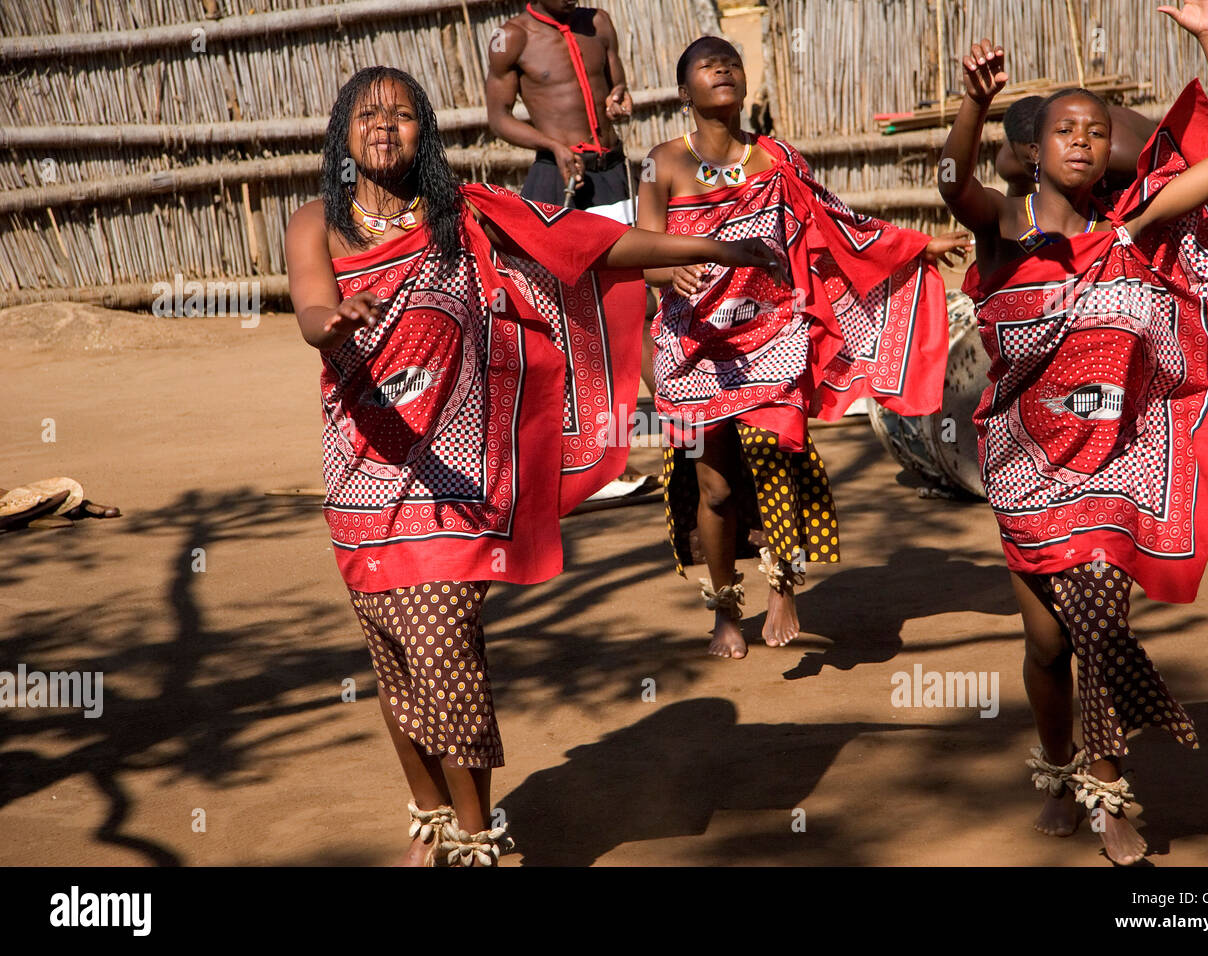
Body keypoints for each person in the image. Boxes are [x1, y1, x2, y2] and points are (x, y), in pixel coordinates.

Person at [285, 66, 784, 867]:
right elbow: (311, 306)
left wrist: (716, 242)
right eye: (369, 113)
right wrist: (332, 320)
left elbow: (596, 243)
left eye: (405, 115)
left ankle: (478, 835)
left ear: (427, 133)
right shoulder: (315, 221)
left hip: (457, 476)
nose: (385, 126)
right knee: (397, 659)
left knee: (445, 640)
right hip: (360, 469)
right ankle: (431, 812)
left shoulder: (469, 215)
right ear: (343, 128)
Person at [938, 0, 1208, 864]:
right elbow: (953, 183)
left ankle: (1108, 792)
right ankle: (1059, 762)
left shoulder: (1132, 232)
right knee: (1046, 642)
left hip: (1120, 462)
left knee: (1097, 611)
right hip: (1025, 459)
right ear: (1034, 149)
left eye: (1097, 133)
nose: (1082, 143)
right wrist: (974, 106)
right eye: (1065, 130)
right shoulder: (1004, 234)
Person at [639, 36, 969, 660]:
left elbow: (838, 223)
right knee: (715, 490)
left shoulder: (780, 158)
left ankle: (783, 586)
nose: (724, 71)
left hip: (772, 333)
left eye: (731, 63)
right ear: (684, 93)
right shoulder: (662, 163)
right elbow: (645, 253)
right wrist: (668, 274)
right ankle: (725, 610)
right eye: (708, 67)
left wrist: (912, 245)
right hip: (693, 347)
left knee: (774, 453)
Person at [485, 1, 658, 390]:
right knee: (547, 305)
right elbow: (498, 117)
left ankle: (676, 419)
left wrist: (620, 98)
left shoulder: (598, 23)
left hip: (611, 174)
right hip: (557, 181)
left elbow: (618, 87)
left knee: (639, 300)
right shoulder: (510, 38)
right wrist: (552, 145)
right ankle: (564, 418)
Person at [996, 94, 1157, 198]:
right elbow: (1020, 223)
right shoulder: (1011, 164)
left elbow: (1171, 177)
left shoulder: (1115, 151)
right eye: (1032, 163)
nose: (1040, 165)